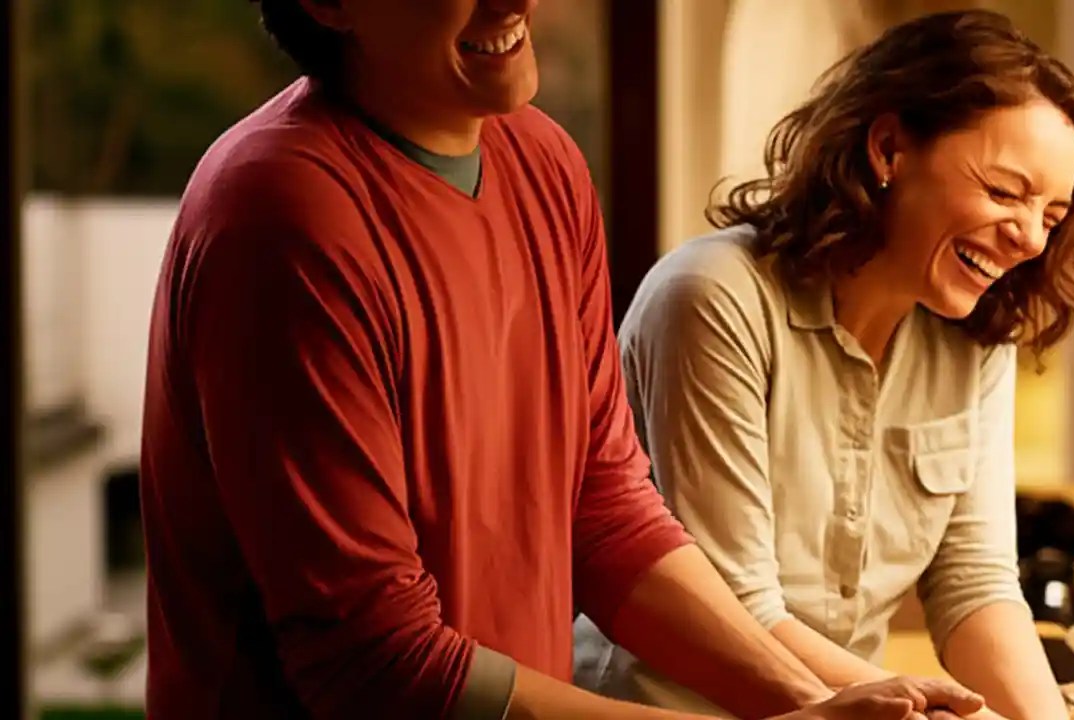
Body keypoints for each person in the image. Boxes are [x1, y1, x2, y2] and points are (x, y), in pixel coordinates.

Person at [137, 0, 988, 718]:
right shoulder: (285, 211)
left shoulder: (541, 161)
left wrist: (801, 703)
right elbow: (374, 659)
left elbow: (604, 507)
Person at [574, 9, 1074, 720]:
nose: (1028, 239)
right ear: (889, 148)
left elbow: (974, 584)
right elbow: (741, 606)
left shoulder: (978, 333)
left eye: (1051, 214)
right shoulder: (712, 298)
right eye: (1005, 192)